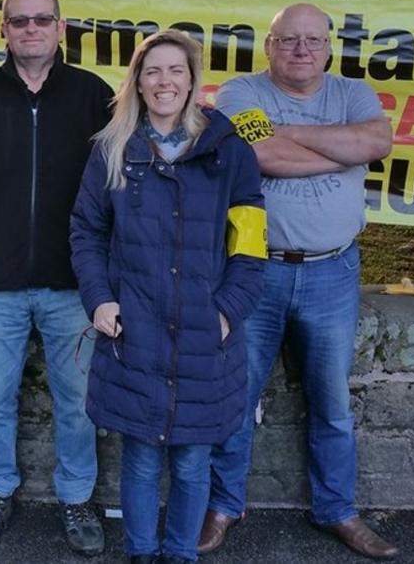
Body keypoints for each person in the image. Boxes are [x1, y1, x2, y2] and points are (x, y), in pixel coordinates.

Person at [201, 2, 398, 560]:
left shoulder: (354, 93)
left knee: (332, 401)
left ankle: (339, 510)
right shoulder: (241, 92)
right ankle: (223, 505)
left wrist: (294, 137)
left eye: (313, 40)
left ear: (330, 46)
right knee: (234, 398)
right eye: (289, 40)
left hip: (333, 271)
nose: (301, 50)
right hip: (253, 271)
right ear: (269, 45)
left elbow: (377, 144)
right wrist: (340, 151)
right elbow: (259, 153)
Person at [70, 29, 267, 564]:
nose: (164, 81)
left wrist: (227, 313)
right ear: (137, 79)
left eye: (175, 70)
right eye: (152, 70)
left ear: (192, 79)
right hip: (136, 330)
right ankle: (141, 552)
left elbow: (250, 245)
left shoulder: (227, 149)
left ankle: (181, 554)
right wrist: (99, 300)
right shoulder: (113, 148)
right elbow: (86, 231)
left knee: (190, 462)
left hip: (207, 335)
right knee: (138, 460)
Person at [0, 0, 112, 555]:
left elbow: (118, 181)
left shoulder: (94, 96)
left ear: (61, 28)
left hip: (73, 284)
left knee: (78, 401)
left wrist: (103, 258)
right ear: (4, 31)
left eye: (42, 20)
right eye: (20, 21)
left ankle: (78, 497)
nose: (31, 29)